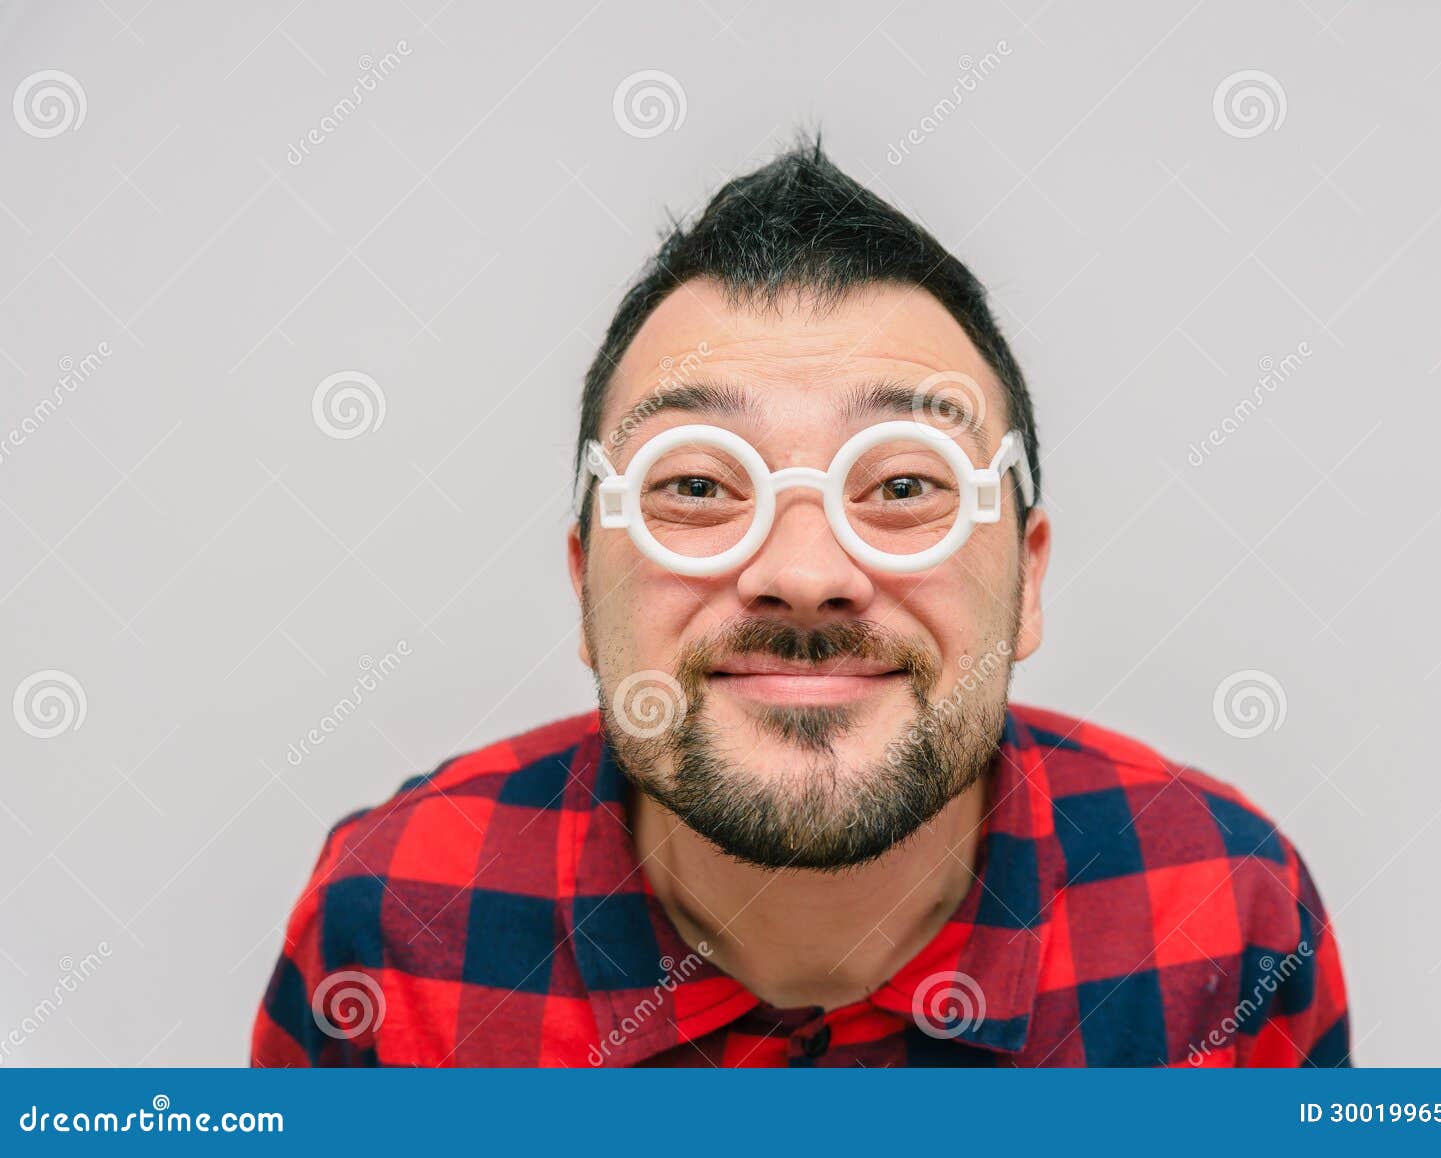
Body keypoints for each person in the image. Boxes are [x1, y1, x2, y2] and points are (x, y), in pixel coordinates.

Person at [251, 139, 1349, 1067]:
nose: (805, 569)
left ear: (1028, 579)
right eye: (695, 483)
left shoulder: (1229, 912)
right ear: (587, 583)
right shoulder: (396, 919)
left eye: (904, 483)